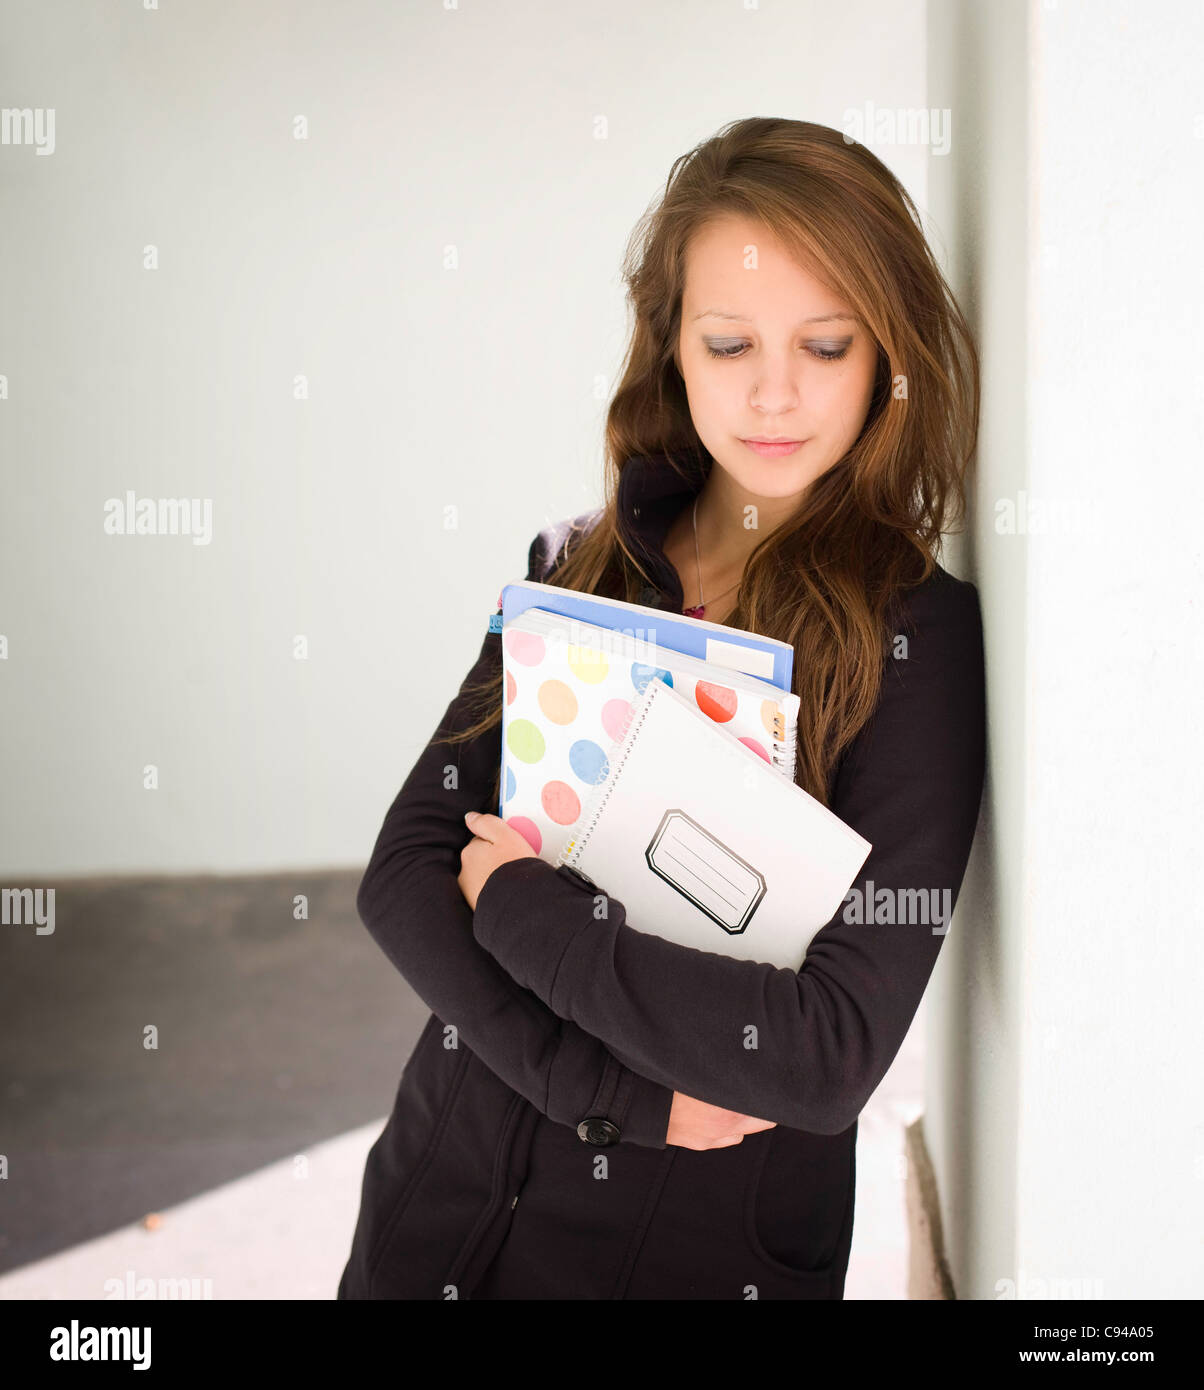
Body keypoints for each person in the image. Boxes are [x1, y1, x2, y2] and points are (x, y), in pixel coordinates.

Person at [337, 116, 986, 1300]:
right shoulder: (578, 562)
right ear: (670, 348)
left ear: (887, 356)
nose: (774, 393)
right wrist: (617, 1095)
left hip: (692, 1252)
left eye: (827, 345)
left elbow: (826, 1049)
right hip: (438, 1204)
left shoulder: (918, 640)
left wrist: (530, 916)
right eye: (729, 342)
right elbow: (404, 873)